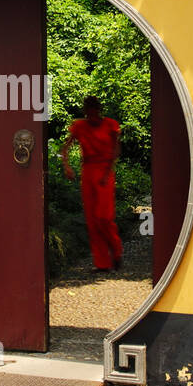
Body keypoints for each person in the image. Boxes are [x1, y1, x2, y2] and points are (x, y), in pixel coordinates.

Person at [60, 96, 123, 271]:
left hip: (105, 171)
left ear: (98, 109)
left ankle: (116, 251)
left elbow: (116, 149)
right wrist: (67, 167)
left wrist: (109, 170)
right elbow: (65, 147)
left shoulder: (110, 124)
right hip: (88, 171)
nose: (91, 114)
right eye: (88, 110)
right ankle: (102, 263)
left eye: (94, 109)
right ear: (85, 111)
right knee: (92, 220)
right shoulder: (79, 126)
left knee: (105, 217)